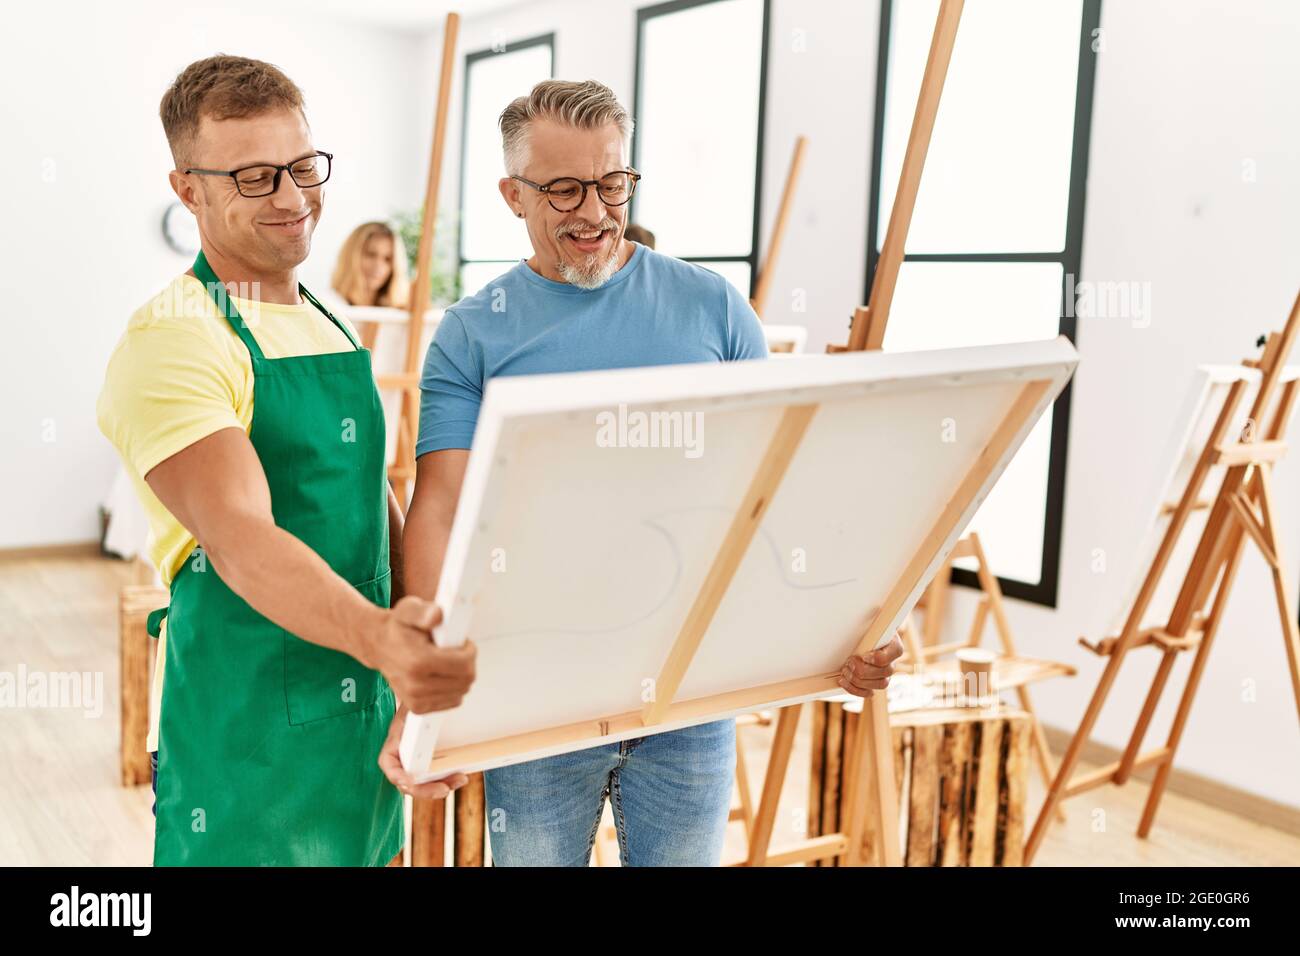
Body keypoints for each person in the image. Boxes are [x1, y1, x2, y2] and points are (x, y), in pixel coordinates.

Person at [403, 79, 903, 867]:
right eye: (565, 189)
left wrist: (841, 625)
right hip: (538, 680)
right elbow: (438, 510)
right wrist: (424, 686)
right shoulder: (473, 333)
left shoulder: (713, 309)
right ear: (512, 195)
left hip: (691, 690)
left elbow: (776, 498)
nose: (597, 213)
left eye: (612, 183)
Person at [96, 54, 476, 866]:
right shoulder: (175, 338)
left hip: (361, 725)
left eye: (304, 167)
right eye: (257, 176)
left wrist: (419, 660)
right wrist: (382, 641)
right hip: (248, 741)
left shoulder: (325, 319)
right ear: (188, 188)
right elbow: (241, 539)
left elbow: (373, 498)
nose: (295, 199)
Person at [330, 221, 410, 349]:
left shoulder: (400, 315)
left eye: (387, 259)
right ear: (351, 257)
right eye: (371, 255)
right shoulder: (329, 306)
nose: (378, 266)